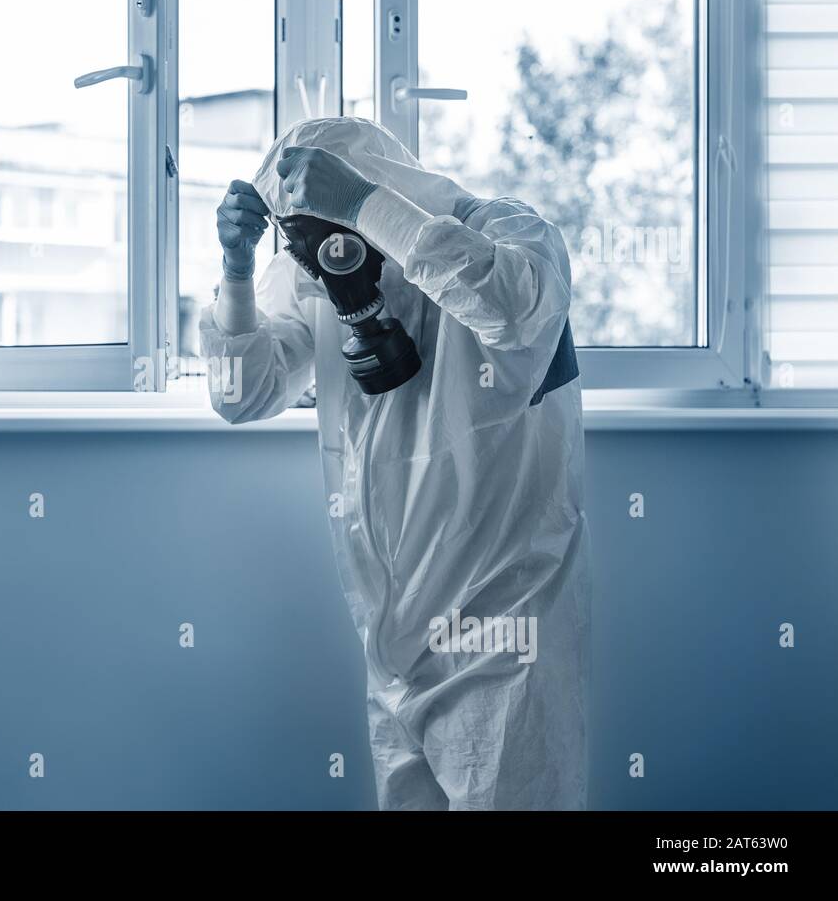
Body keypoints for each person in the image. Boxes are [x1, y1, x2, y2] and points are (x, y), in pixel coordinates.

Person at [201, 116, 590, 810]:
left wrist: (360, 207)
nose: (325, 266)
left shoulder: (508, 232)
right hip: (392, 646)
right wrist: (235, 273)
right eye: (303, 243)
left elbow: (516, 311)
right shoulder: (318, 276)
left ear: (379, 189)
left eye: (330, 233)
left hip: (503, 639)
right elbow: (244, 394)